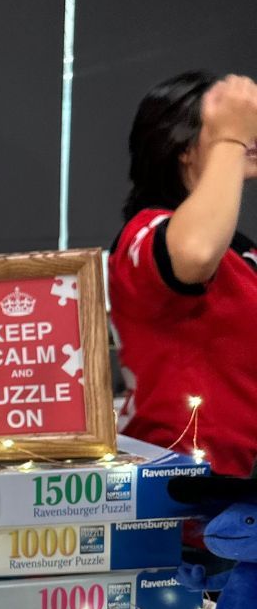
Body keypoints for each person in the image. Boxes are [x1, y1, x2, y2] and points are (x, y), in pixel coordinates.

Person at [109, 71, 257, 478]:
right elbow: (194, 253)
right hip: (190, 509)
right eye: (225, 122)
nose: (246, 131)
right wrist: (231, 141)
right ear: (182, 146)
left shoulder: (240, 249)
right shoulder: (145, 232)